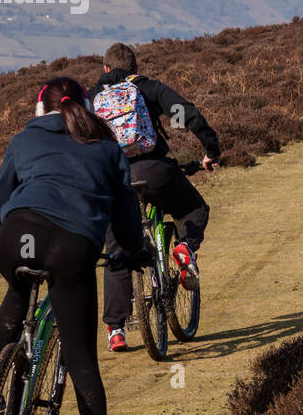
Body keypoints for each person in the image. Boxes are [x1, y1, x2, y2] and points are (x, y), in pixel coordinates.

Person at [0, 76, 146, 415]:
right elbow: (125, 215)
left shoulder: (22, 140)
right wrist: (132, 252)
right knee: (81, 359)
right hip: (72, 247)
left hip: (16, 237)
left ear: (40, 109)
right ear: (87, 108)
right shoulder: (107, 149)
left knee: (16, 297)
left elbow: (0, 198)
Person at [89, 43, 221, 352]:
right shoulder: (145, 87)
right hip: (155, 171)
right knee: (193, 208)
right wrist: (211, 150)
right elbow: (185, 112)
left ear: (106, 68)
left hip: (114, 180)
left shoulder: (93, 96)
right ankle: (185, 247)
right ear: (134, 68)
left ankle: (117, 329)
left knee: (117, 248)